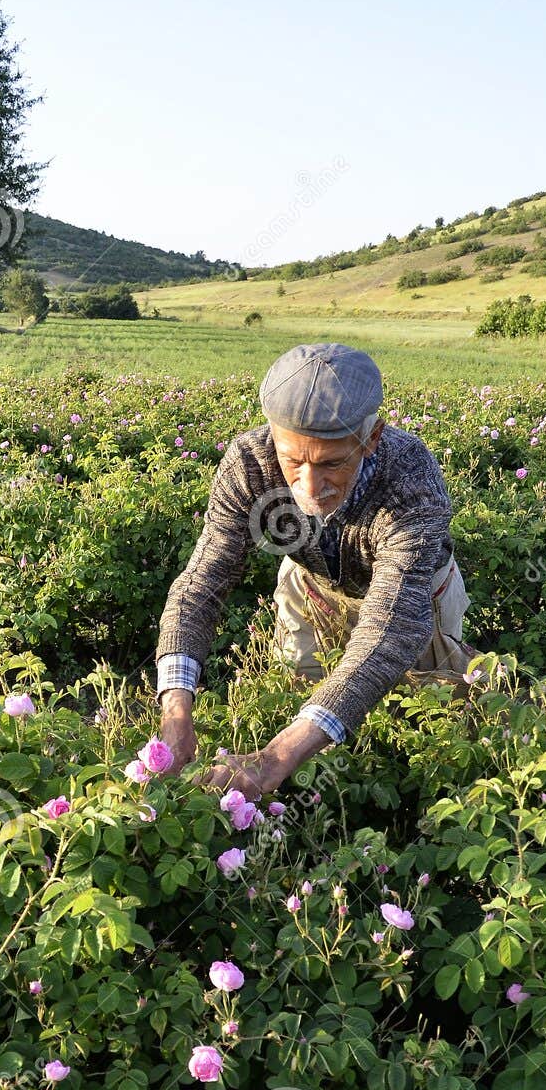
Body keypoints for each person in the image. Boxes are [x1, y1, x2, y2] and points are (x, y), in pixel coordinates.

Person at [153, 341, 477, 798]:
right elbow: (203, 582)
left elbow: (392, 624)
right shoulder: (249, 461)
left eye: (331, 463)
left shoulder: (409, 475)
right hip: (312, 584)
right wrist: (176, 711)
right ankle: (308, 800)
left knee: (427, 713)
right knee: (302, 698)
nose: (310, 485)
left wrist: (274, 759)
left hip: (416, 596)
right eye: (293, 460)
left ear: (371, 438)